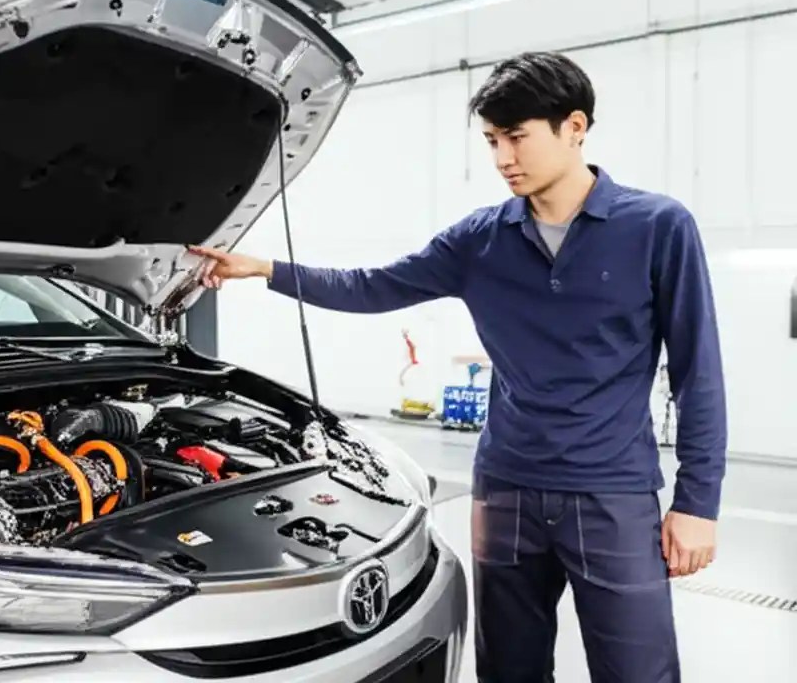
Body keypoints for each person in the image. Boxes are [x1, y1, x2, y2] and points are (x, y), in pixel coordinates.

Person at [189, 51, 725, 683]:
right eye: (493, 140)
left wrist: (698, 503)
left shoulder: (657, 227)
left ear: (574, 127)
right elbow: (374, 286)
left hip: (613, 494)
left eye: (518, 137)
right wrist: (265, 269)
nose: (503, 158)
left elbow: (699, 372)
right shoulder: (481, 238)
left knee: (640, 671)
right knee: (507, 669)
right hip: (505, 491)